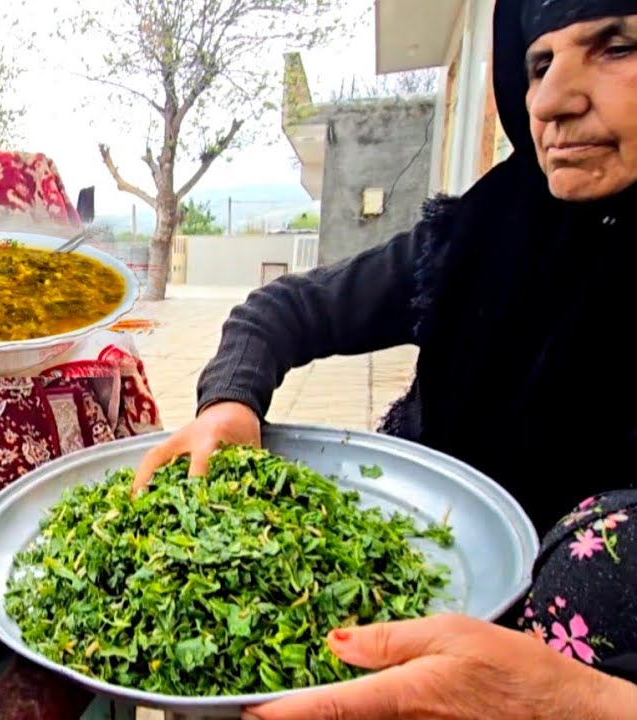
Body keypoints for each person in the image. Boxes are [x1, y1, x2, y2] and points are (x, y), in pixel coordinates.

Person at [134, 0, 637, 717]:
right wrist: (230, 403)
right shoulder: (494, 228)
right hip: (402, 573)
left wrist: (580, 703)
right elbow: (284, 309)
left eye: (615, 47)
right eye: (538, 64)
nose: (553, 100)